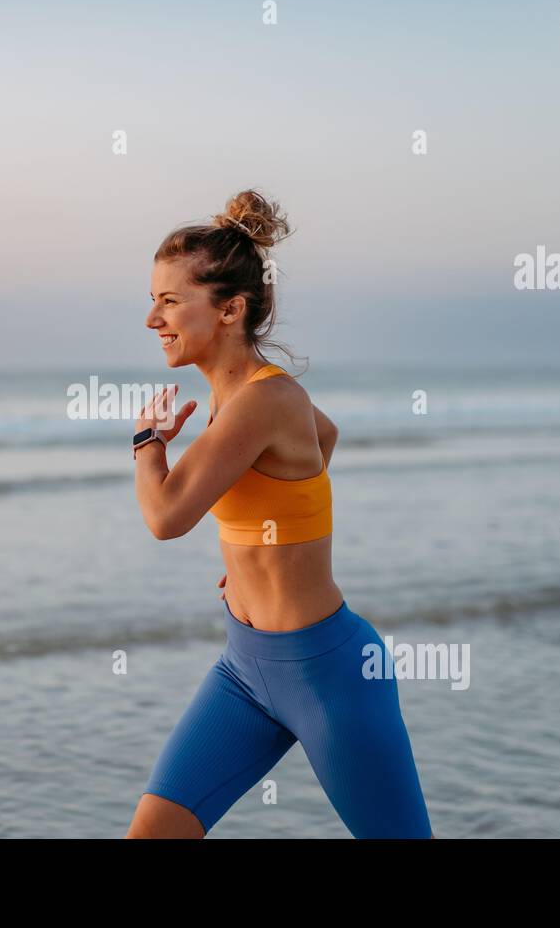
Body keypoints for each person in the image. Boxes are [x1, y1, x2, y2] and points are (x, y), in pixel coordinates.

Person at [126, 189, 434, 839]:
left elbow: (166, 517)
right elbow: (323, 438)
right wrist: (257, 550)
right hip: (244, 669)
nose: (152, 318)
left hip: (328, 676)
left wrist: (147, 442)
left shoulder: (262, 402)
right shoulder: (249, 400)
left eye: (170, 300)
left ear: (231, 309)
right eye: (153, 299)